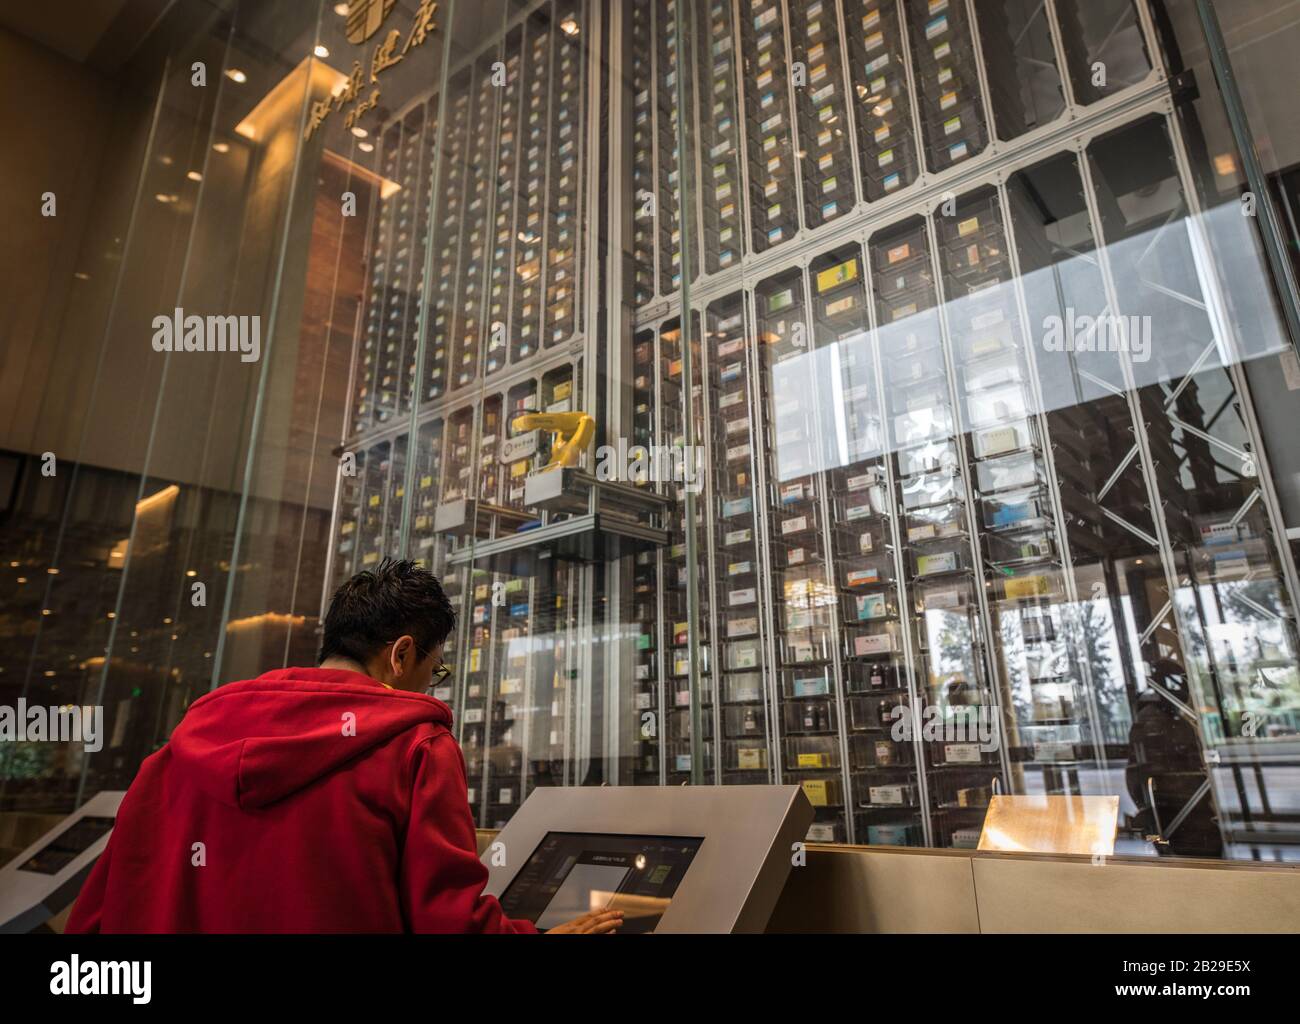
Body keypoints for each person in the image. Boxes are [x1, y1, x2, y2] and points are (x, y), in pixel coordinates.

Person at [67, 559, 622, 934]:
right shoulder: (416, 749)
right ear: (402, 655)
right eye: (436, 669)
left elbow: (97, 913)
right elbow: (446, 923)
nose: (431, 685)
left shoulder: (179, 748)